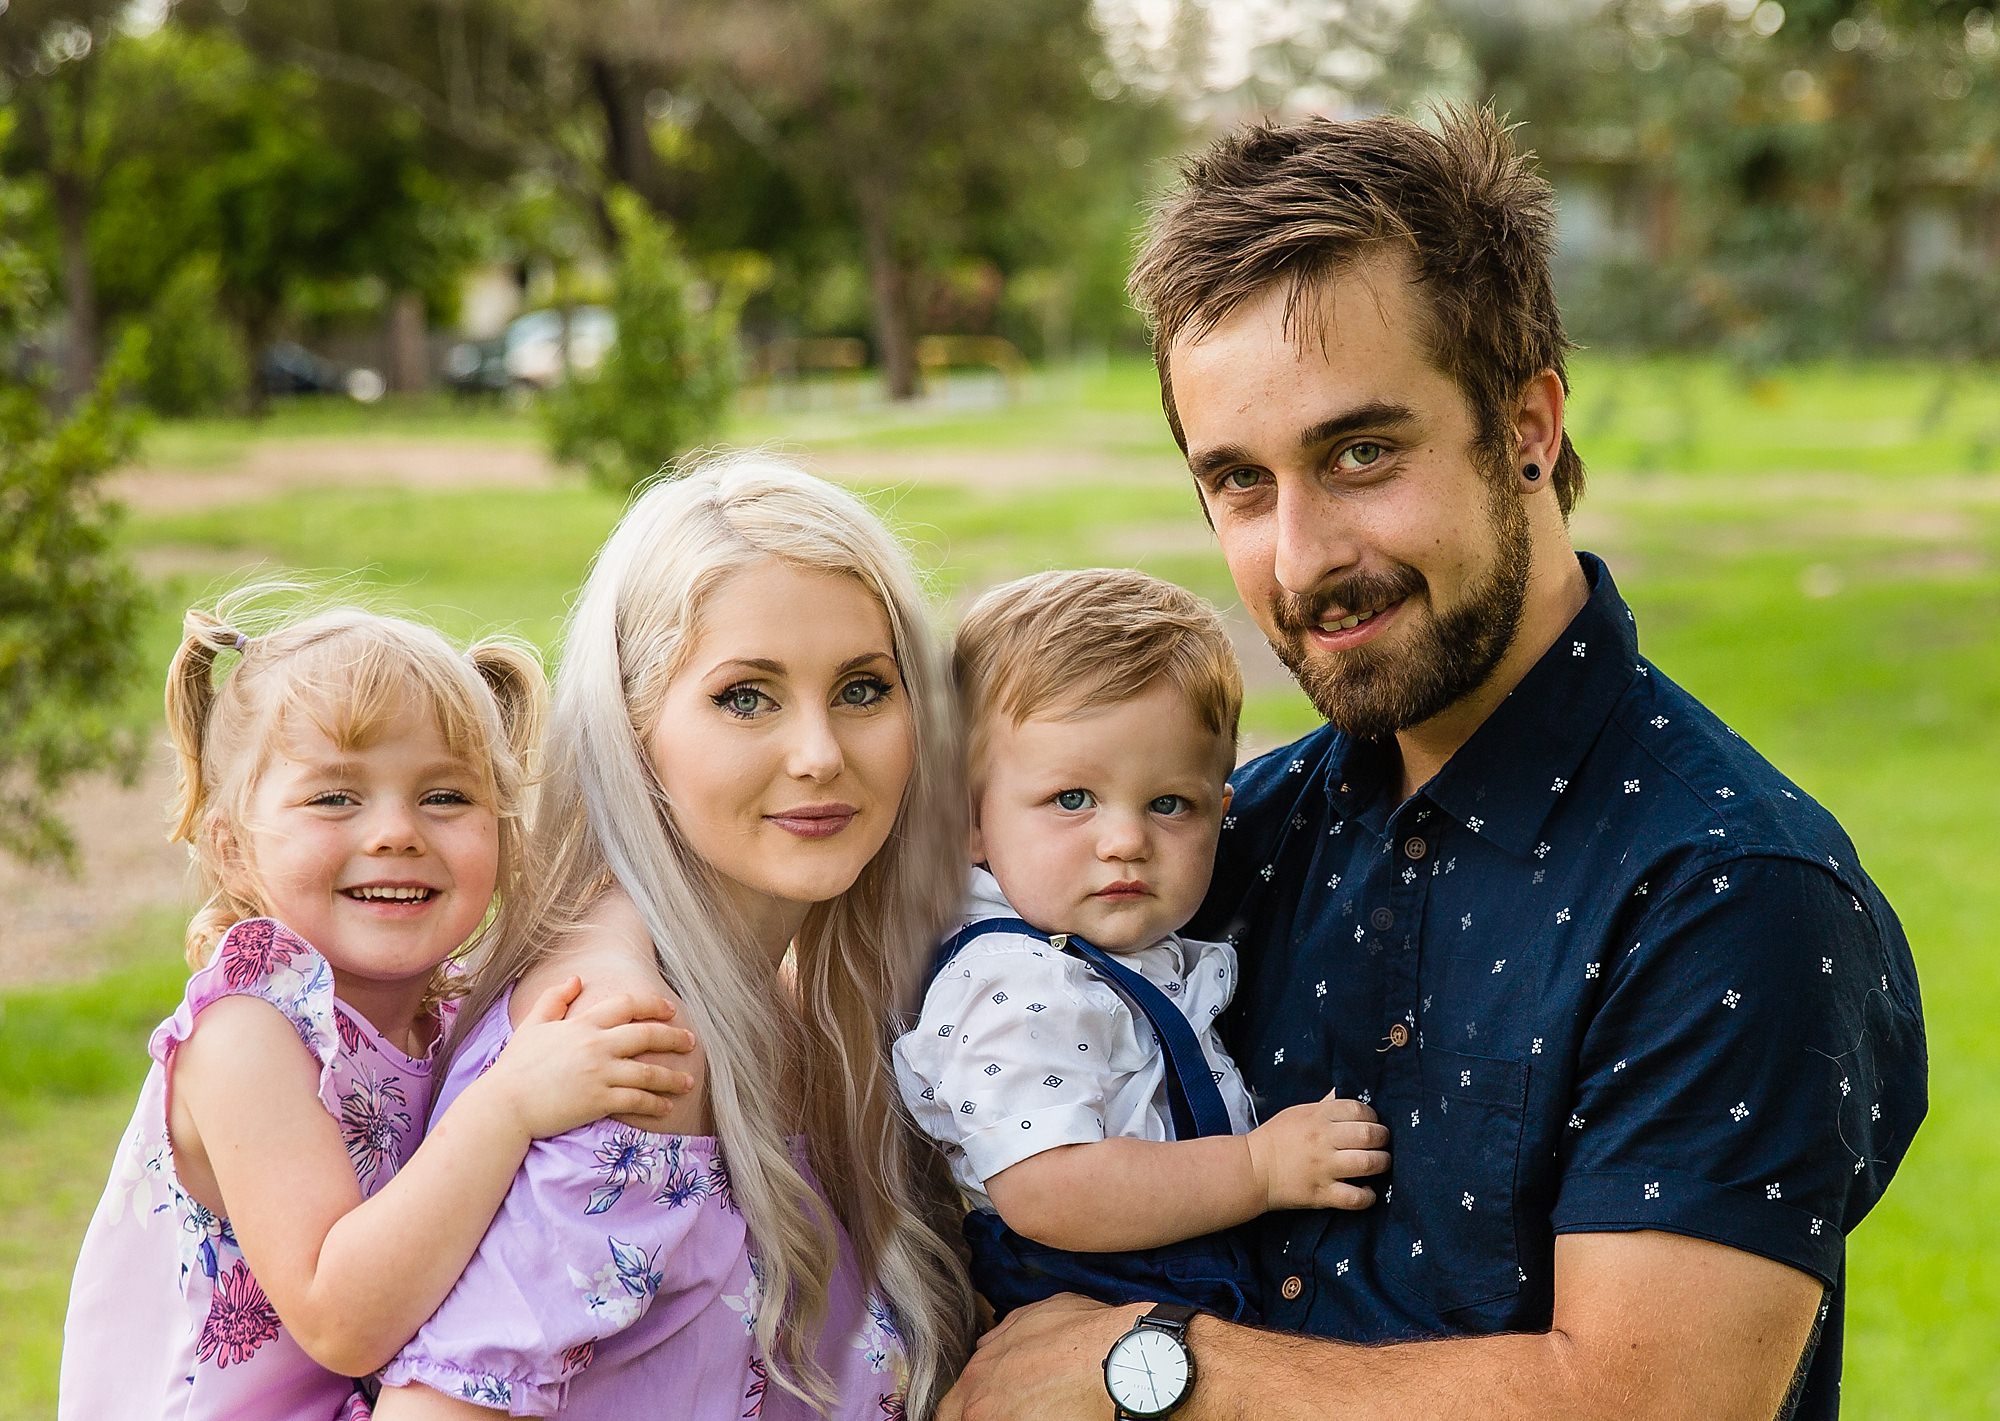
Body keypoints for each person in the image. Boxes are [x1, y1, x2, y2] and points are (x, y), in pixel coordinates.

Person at [940, 107, 1925, 1421]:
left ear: (1526, 425)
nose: (1300, 559)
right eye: (1240, 482)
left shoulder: (1728, 893)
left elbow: (1655, 1403)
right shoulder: (1237, 835)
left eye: (1361, 453)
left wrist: (1156, 1370)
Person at [373, 455, 976, 1419]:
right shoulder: (629, 1048)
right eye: (747, 696)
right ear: (634, 724)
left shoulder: (779, 993)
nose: (820, 753)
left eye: (864, 688)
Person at [61, 598, 695, 1421]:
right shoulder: (246, 1035)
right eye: (334, 798)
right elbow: (340, 1316)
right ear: (231, 846)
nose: (397, 831)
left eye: (445, 797)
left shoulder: (453, 1010)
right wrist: (509, 1104)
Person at [895, 568, 1389, 1323]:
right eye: (1072, 799)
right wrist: (1260, 1168)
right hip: (1078, 1313)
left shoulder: (1094, 955)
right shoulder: (1017, 982)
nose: (1125, 840)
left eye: (1169, 804)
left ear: (1222, 814)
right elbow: (1048, 1189)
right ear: (969, 818)